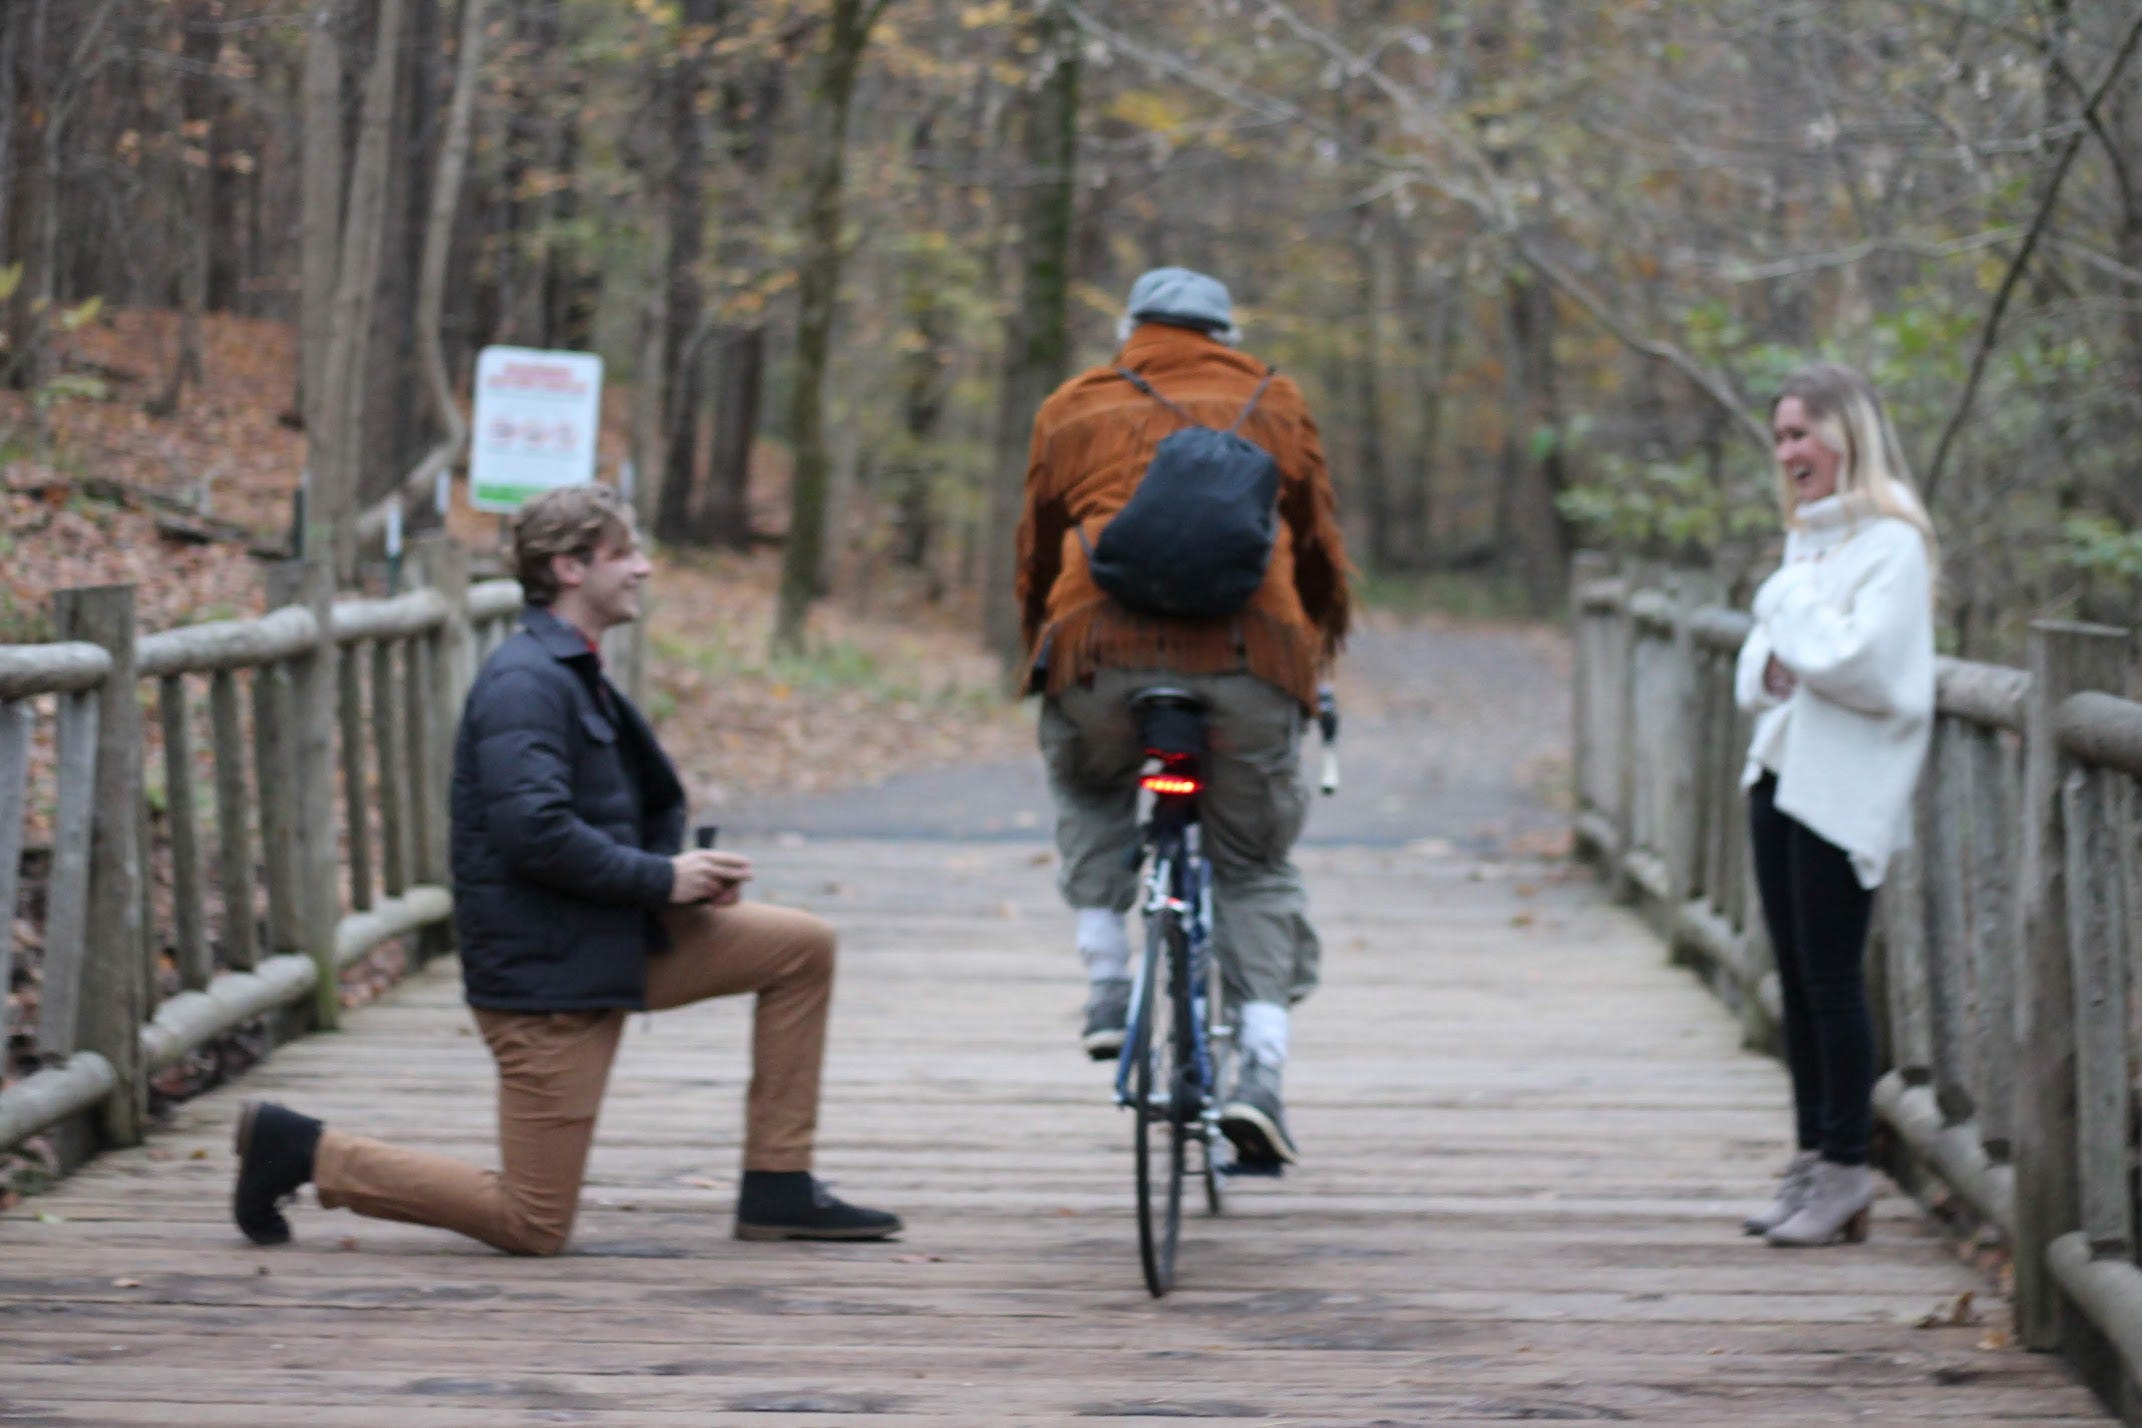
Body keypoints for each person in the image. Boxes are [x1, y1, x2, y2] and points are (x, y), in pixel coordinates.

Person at [231, 484, 900, 1253]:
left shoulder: (571, 668)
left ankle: (779, 1187)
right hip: (548, 979)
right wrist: (660, 880)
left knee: (800, 947)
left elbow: (589, 816)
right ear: (570, 567)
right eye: (626, 555)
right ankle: (303, 1151)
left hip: (606, 940)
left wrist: (681, 878)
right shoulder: (525, 682)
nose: (645, 570)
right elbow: (534, 833)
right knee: (533, 1220)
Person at [1014, 266, 1350, 1168]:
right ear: (1225, 335)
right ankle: (1262, 1074)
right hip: (1248, 657)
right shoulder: (1275, 401)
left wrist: (1046, 655)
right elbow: (1317, 552)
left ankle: (1105, 978)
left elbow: (1038, 555)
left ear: (1131, 330)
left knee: (1087, 783)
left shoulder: (1073, 406)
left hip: (1101, 654)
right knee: (1251, 862)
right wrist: (1311, 662)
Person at [1733, 362, 1937, 1248]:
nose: (1787, 455)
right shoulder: (1810, 541)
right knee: (1795, 984)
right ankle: (1814, 1160)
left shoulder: (1891, 542)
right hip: (1780, 772)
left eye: (1799, 436)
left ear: (1845, 435)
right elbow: (1762, 671)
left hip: (1841, 786)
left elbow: (1866, 667)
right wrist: (1786, 639)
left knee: (1832, 981)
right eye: (1779, 438)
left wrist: (1786, 613)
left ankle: (1850, 1166)